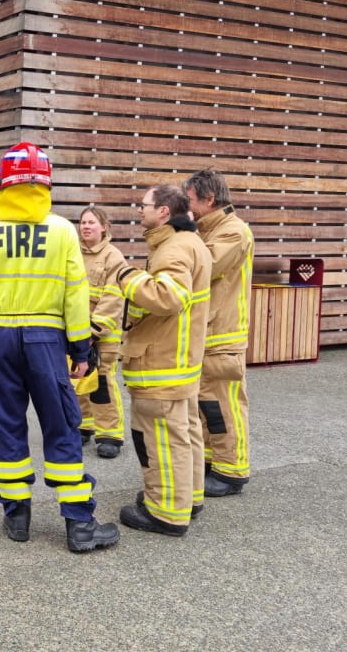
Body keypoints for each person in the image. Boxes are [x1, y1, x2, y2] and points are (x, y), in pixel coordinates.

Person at [0, 142, 120, 553]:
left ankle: (17, 516)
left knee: (7, 424)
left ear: (1, 186)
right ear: (46, 184)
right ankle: (79, 525)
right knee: (61, 426)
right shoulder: (64, 231)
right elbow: (75, 297)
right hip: (47, 340)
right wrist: (82, 351)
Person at [115, 185, 211, 536]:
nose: (139, 211)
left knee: (160, 440)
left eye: (144, 206)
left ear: (164, 212)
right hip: (179, 361)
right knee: (185, 433)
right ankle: (188, 497)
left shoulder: (175, 248)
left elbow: (167, 297)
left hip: (161, 363)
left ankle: (166, 512)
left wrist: (129, 276)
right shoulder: (189, 243)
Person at [184, 169, 254, 497]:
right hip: (208, 332)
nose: (187, 208)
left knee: (225, 404)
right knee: (208, 403)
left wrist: (181, 234)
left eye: (191, 202)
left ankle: (232, 470)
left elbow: (204, 266)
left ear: (210, 200)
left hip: (223, 334)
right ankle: (214, 460)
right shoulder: (208, 228)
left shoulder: (234, 231)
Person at [77, 207, 127, 458]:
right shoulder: (73, 253)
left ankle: (110, 435)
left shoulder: (113, 256)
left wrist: (93, 331)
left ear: (104, 227)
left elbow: (113, 297)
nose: (86, 226)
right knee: (77, 381)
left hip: (102, 335)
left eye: (91, 222)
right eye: (83, 222)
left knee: (102, 384)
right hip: (75, 334)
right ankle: (84, 426)